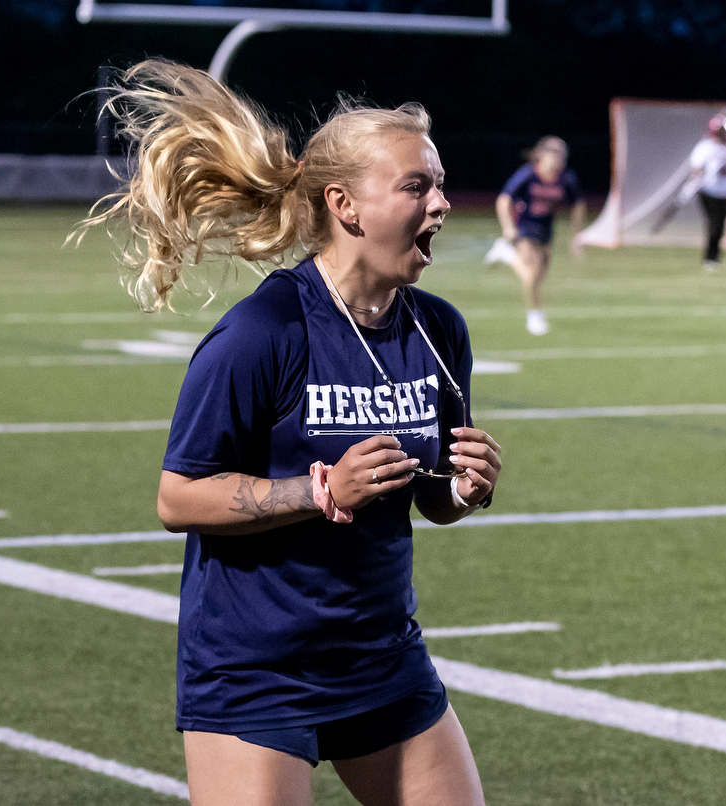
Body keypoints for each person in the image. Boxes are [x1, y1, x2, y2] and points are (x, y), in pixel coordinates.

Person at [76, 59, 501, 806]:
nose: (441, 203)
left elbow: (431, 503)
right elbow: (178, 498)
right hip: (257, 674)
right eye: (417, 186)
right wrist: (319, 490)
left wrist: (465, 489)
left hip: (383, 660)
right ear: (345, 204)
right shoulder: (263, 331)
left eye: (439, 185)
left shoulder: (438, 331)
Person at [484, 136, 585, 336]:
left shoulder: (566, 178)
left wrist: (575, 236)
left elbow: (578, 205)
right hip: (524, 228)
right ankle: (534, 316)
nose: (558, 158)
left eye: (561, 153)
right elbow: (504, 199)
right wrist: (508, 227)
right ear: (541, 154)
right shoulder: (528, 174)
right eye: (554, 152)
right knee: (531, 273)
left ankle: (506, 254)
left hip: (546, 231)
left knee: (540, 276)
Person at [688, 114, 726, 270]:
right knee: (714, 223)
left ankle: (715, 257)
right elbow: (697, 168)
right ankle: (710, 258)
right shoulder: (705, 147)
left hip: (723, 193)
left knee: (720, 225)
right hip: (708, 190)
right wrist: (692, 184)